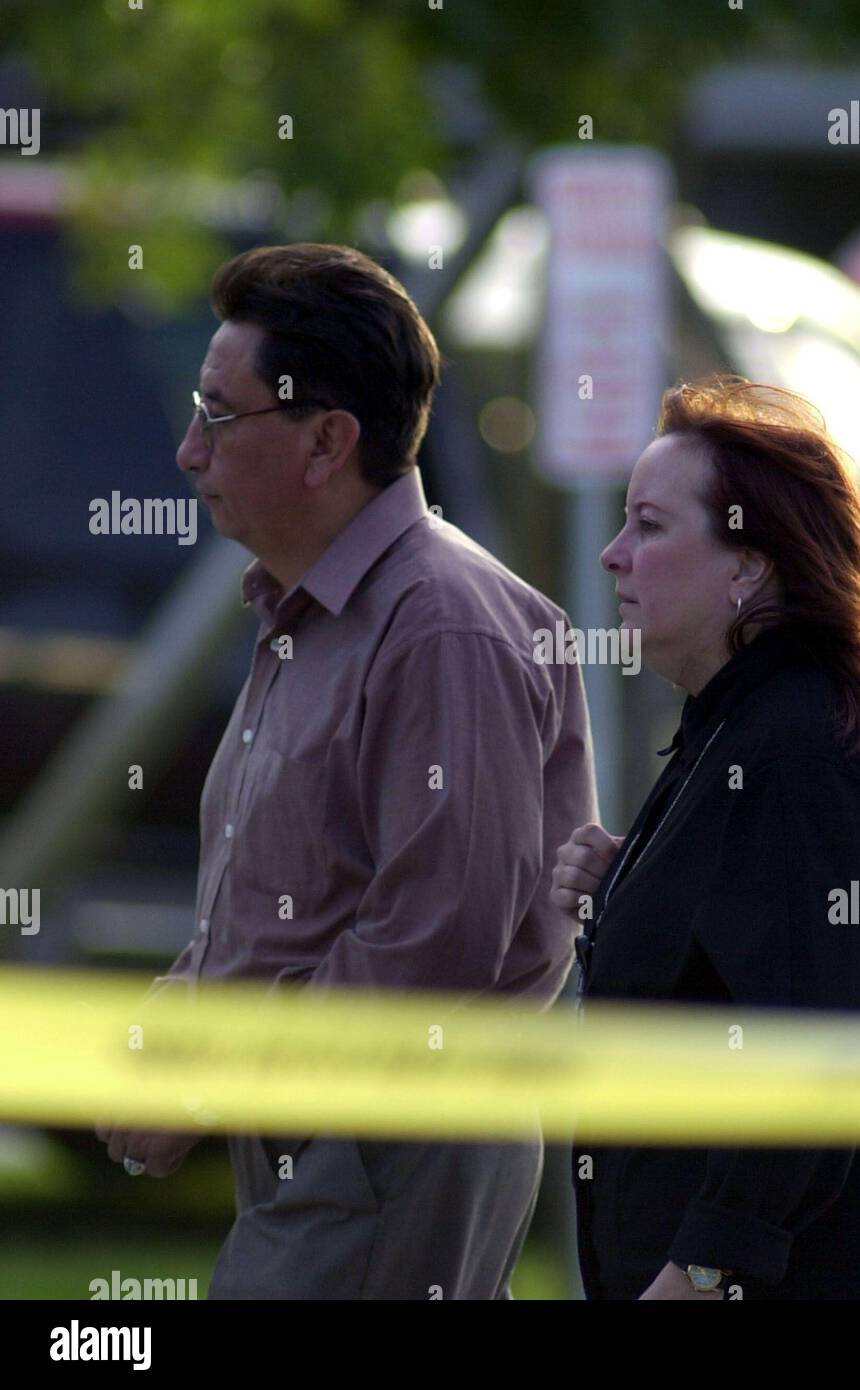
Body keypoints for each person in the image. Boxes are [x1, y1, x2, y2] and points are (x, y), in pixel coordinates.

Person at [96, 242, 598, 1299]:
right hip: (339, 1141)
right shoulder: (315, 608)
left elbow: (436, 939)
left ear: (327, 441)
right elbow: (288, 904)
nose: (189, 451)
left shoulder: (442, 628)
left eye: (219, 416)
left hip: (391, 1133)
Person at [553, 375, 860, 1301]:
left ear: (749, 566)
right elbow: (759, 954)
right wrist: (634, 888)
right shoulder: (745, 720)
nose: (613, 556)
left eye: (649, 526)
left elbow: (812, 1049)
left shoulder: (804, 744)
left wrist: (698, 1272)